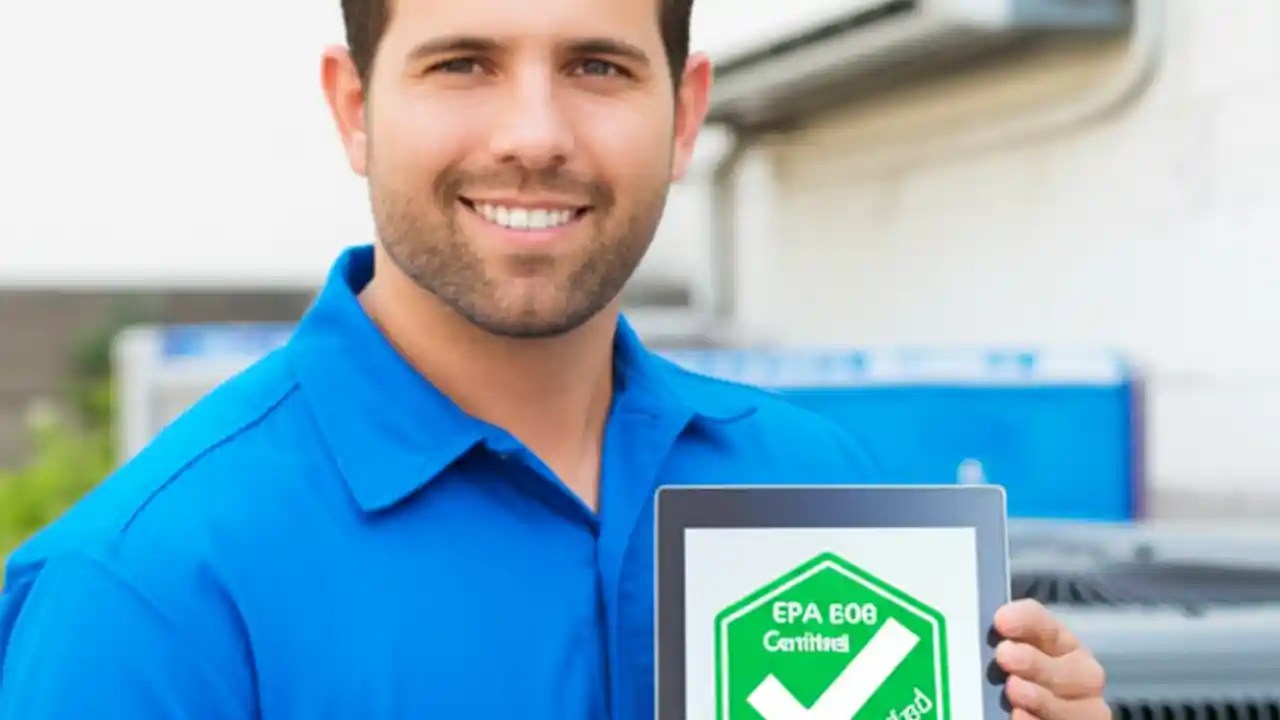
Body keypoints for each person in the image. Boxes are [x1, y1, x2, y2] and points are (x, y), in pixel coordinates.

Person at [0, 0, 1109, 717]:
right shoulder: (142, 592)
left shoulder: (819, 484)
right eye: (463, 63)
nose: (534, 135)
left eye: (595, 65)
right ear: (355, 109)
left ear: (683, 115)